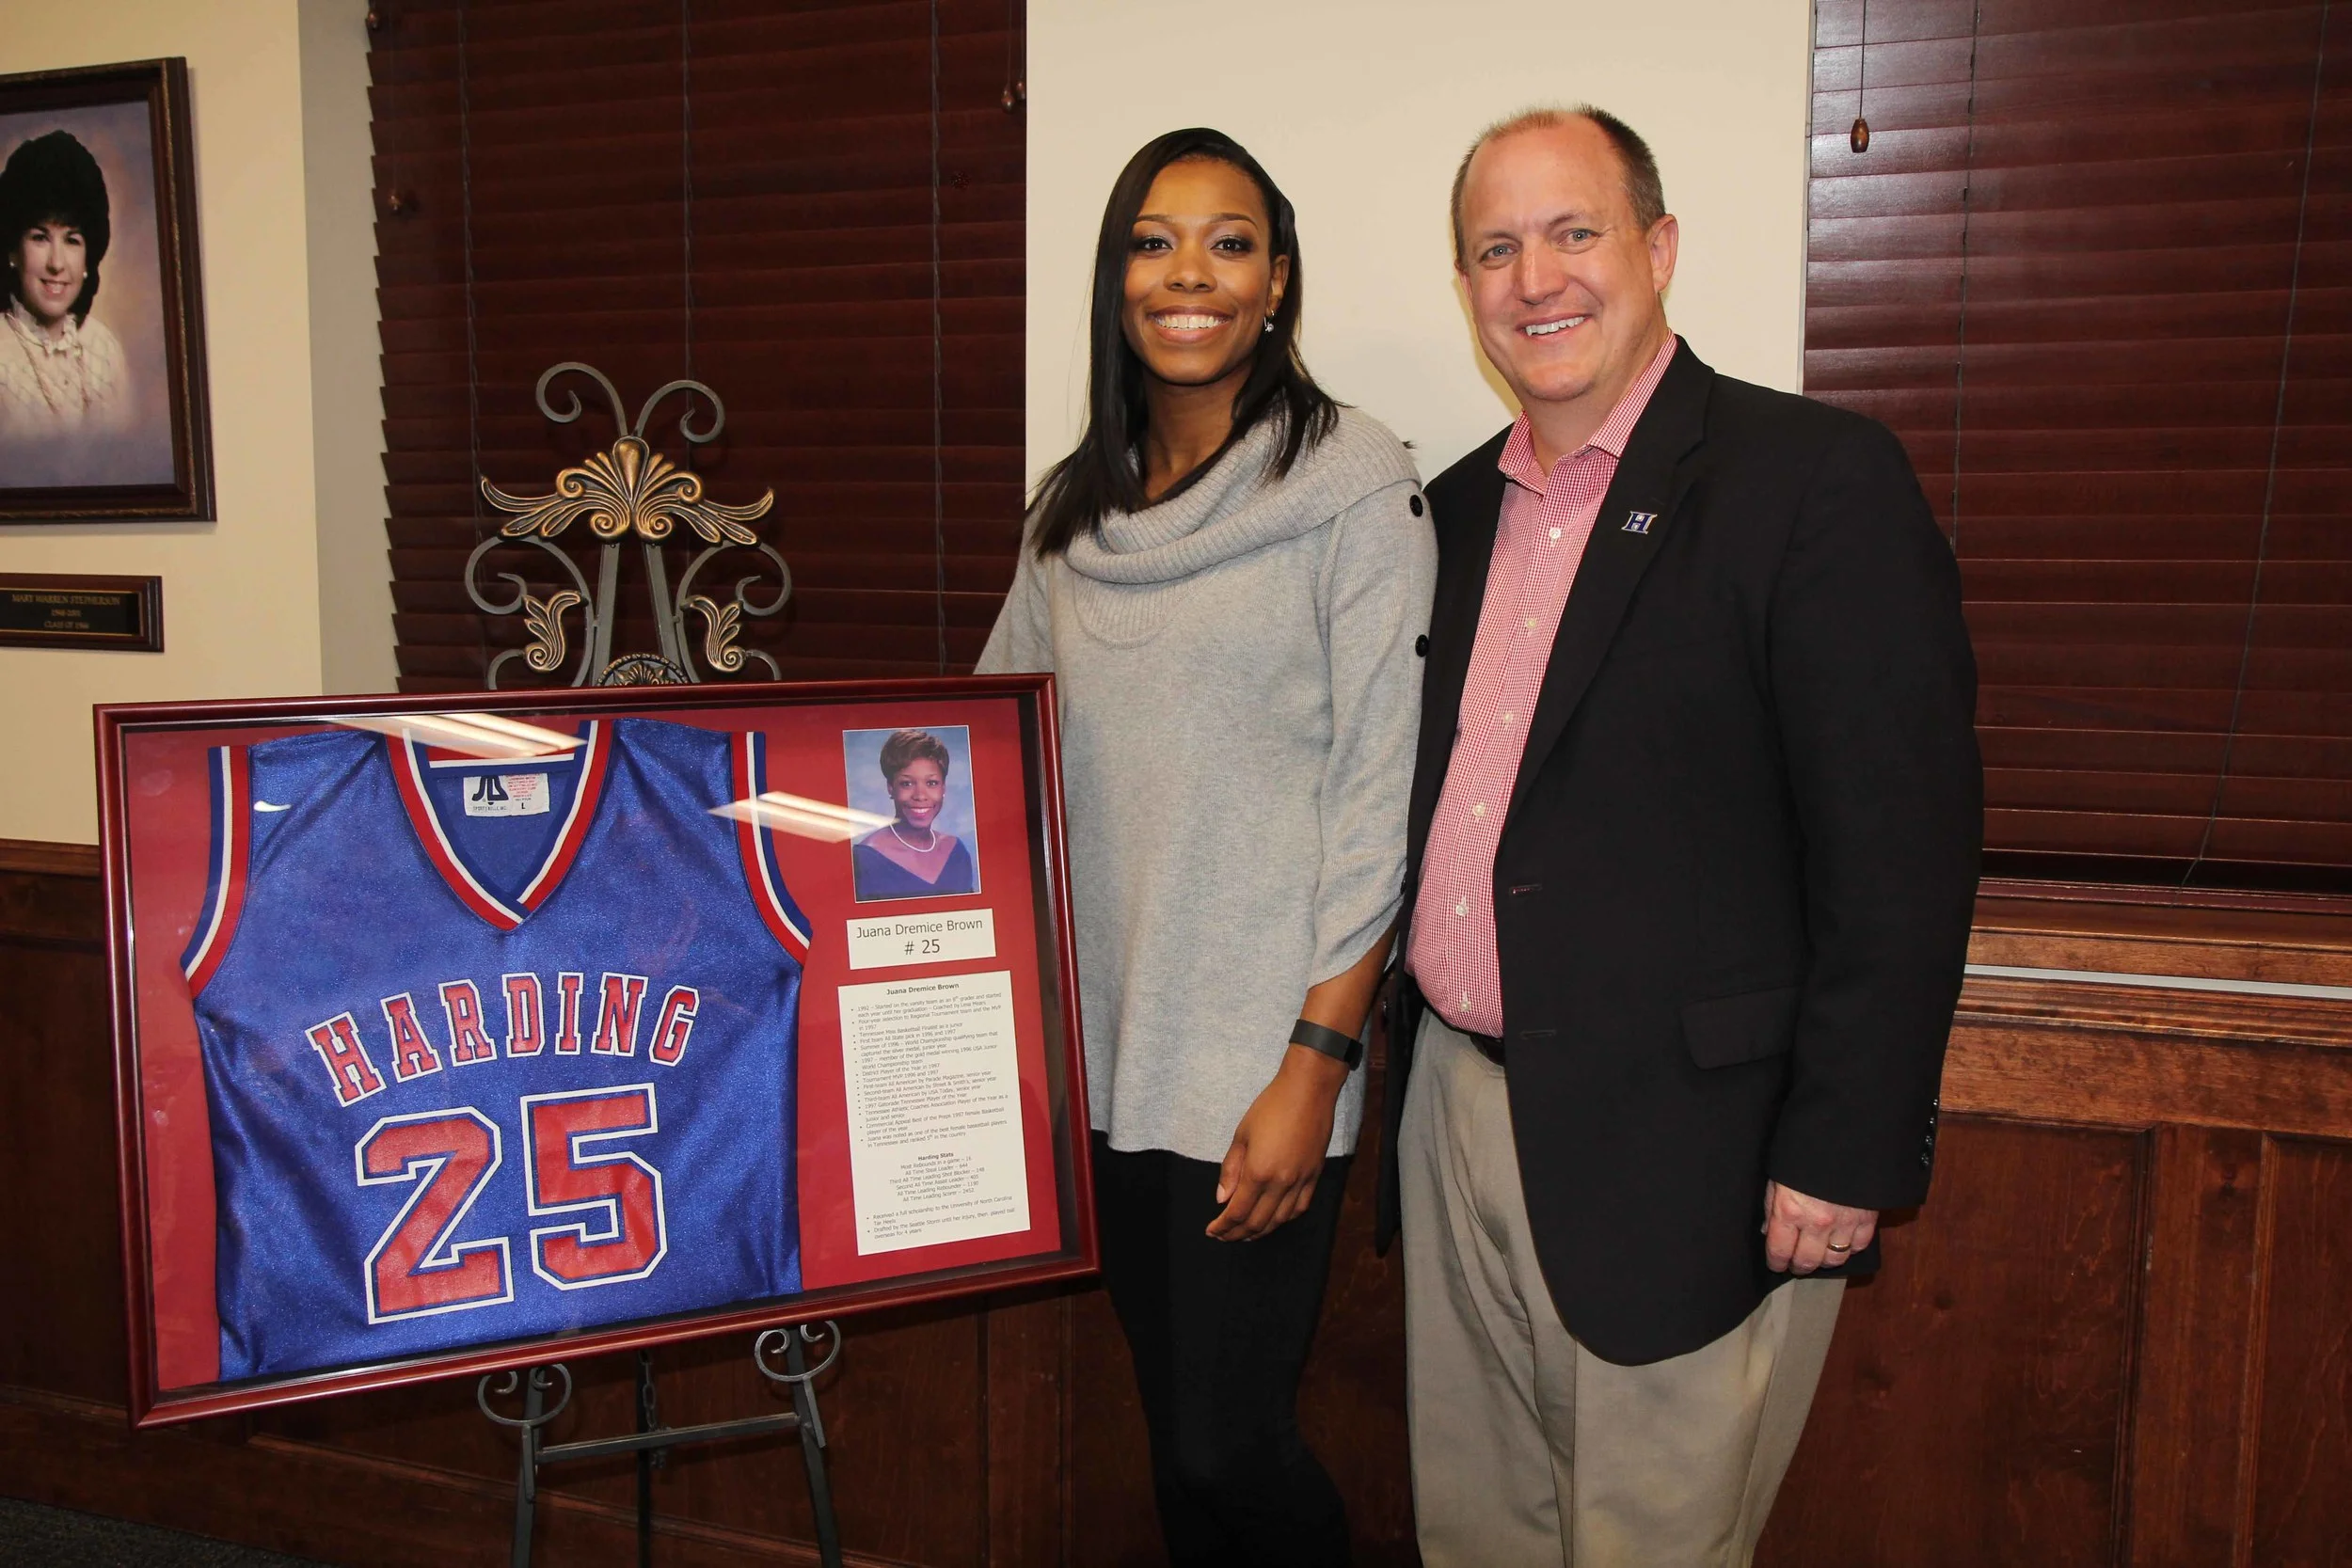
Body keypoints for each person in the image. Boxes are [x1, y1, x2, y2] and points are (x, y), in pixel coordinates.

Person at [1380, 106, 1980, 1566]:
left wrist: (1845, 1146)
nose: (1535, 278)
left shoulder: (1811, 479)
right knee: (1477, 1537)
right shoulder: (1447, 512)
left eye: (1572, 232)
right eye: (1495, 249)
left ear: (1656, 248)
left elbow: (1901, 850)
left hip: (1690, 1153)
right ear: (1464, 288)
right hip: (1456, 1115)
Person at [977, 127, 1433, 1566]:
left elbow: (1381, 793)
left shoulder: (1354, 482)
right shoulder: (1072, 513)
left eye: (1230, 243)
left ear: (1277, 279)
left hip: (1262, 1066)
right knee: (1177, 1434)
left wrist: (1318, 1068)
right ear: (1117, 280)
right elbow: (991, 748)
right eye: (1154, 241)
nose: (1190, 274)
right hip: (1104, 1058)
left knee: (1230, 1442)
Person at [0, 129, 129, 436]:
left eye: (72, 240)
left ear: (88, 258)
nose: (56, 263)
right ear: (13, 251)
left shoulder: (104, 348)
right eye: (40, 237)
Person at [851, 728, 979, 899]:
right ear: (891, 788)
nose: (920, 796)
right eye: (907, 784)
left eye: (931, 783)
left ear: (943, 788)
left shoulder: (956, 851)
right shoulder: (864, 859)